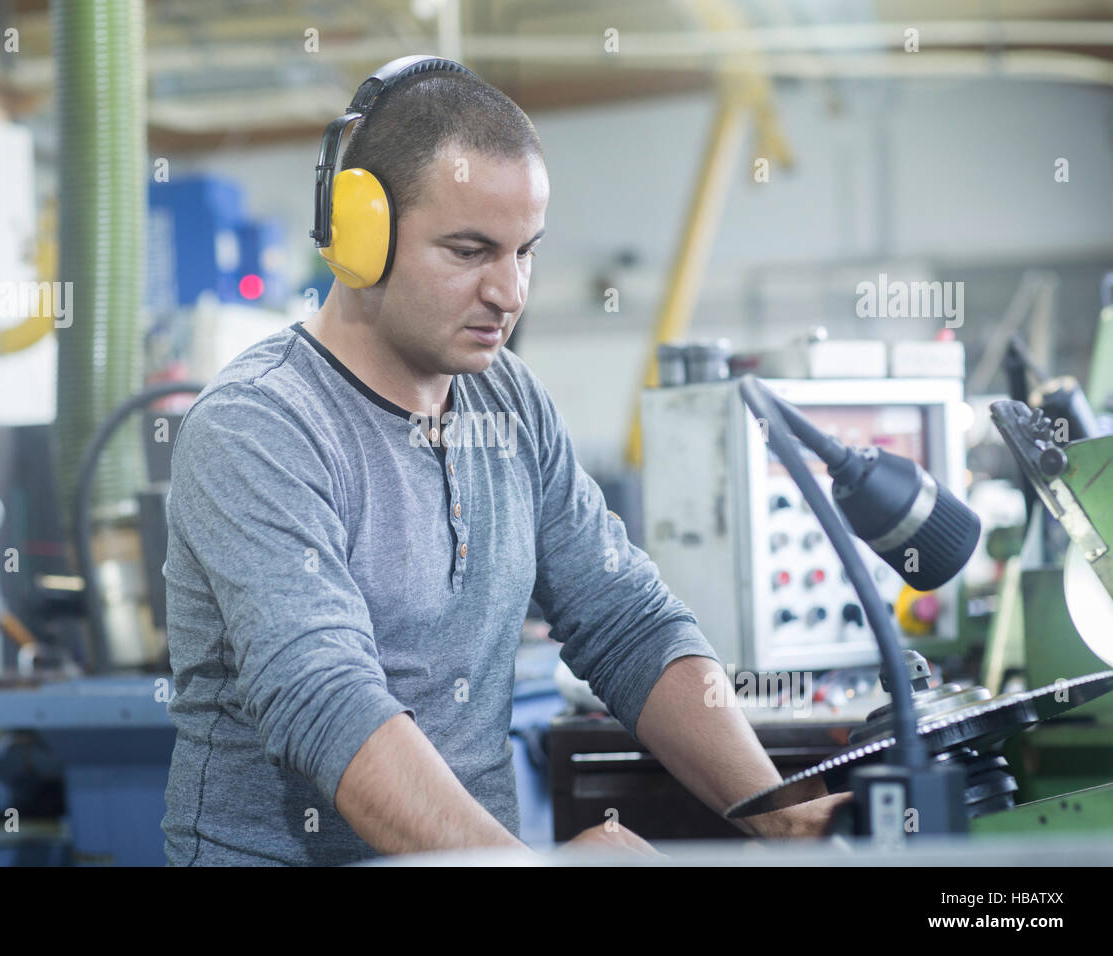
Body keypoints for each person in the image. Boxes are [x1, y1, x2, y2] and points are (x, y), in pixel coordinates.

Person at [161, 60, 846, 866]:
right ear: (359, 236)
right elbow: (326, 699)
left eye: (526, 251)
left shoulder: (511, 403)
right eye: (470, 251)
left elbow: (627, 622)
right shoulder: (261, 426)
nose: (510, 292)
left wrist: (777, 813)